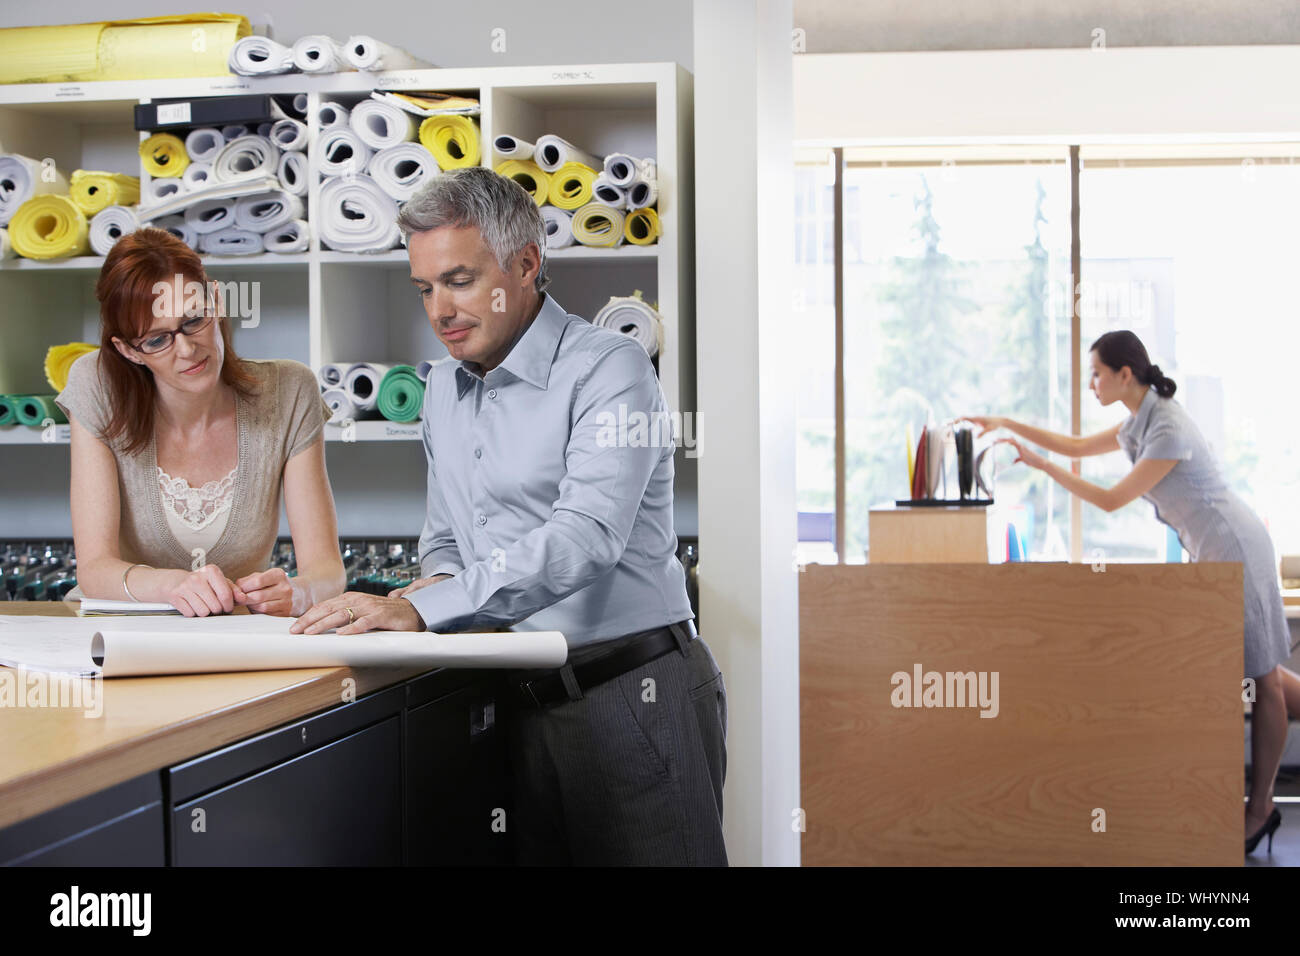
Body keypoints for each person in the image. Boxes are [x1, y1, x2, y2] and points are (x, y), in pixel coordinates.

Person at [291, 167, 727, 866]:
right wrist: (416, 594)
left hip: (631, 698)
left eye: (460, 280)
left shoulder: (611, 370)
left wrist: (424, 611)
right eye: (425, 288)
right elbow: (446, 538)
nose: (440, 310)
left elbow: (587, 536)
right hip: (510, 709)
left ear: (527, 264)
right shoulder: (441, 389)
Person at [966, 329, 1293, 856]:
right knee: (1267, 674)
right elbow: (1075, 445)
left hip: (1237, 547)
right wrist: (1006, 423)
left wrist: (1045, 468)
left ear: (1125, 373)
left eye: (1096, 373)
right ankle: (1260, 806)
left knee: (1264, 682)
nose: (1090, 383)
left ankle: (1260, 809)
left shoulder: (1167, 424)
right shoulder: (1138, 422)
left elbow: (1114, 500)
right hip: (1212, 550)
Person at [56, 228, 345, 617]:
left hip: (235, 643)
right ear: (128, 351)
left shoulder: (289, 392)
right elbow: (94, 570)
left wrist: (300, 591)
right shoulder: (96, 385)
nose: (188, 349)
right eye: (158, 340)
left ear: (217, 301)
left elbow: (328, 572)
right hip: (117, 639)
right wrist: (171, 586)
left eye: (195, 319)